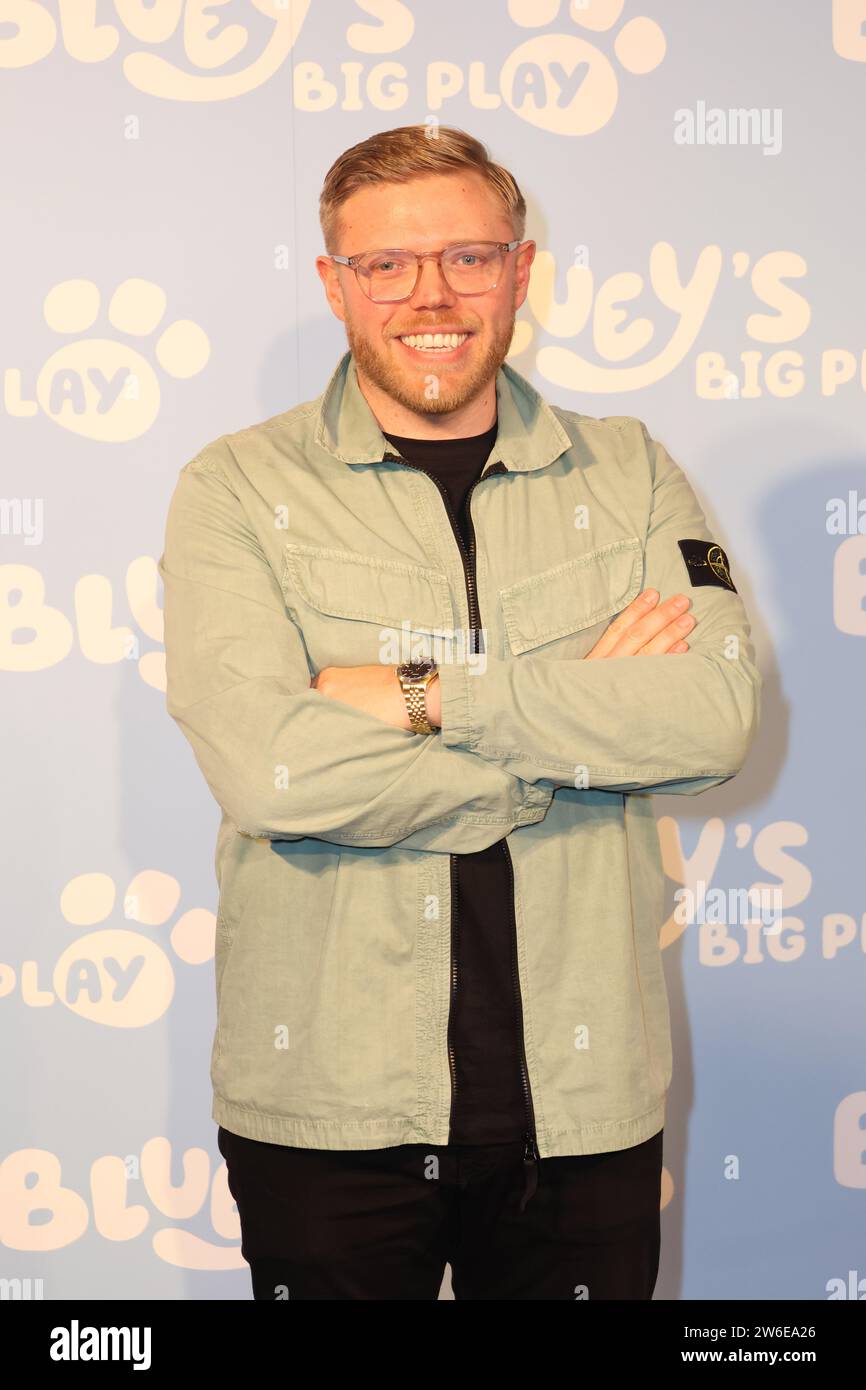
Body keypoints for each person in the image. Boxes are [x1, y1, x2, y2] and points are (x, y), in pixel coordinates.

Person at [158, 125, 762, 1300]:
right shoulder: (233, 488)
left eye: (468, 258)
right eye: (386, 265)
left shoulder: (628, 470)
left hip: (582, 1114)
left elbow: (707, 719)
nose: (430, 295)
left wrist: (423, 695)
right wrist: (571, 740)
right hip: (327, 1115)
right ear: (335, 285)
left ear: (520, 272)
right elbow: (274, 773)